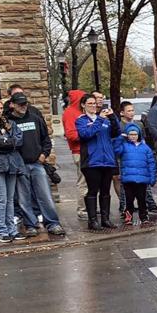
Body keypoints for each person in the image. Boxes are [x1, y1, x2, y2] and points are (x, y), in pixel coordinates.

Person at [6, 93, 65, 236]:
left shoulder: (35, 118)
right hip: (20, 166)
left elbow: (46, 139)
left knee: (45, 195)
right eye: (20, 104)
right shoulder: (8, 122)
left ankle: (52, 223)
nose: (23, 106)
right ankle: (30, 224)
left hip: (37, 163)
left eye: (25, 103)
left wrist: (44, 154)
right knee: (23, 198)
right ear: (12, 105)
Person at [76, 94, 120, 230]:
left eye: (95, 103)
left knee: (106, 191)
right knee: (92, 190)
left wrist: (112, 117)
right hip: (92, 161)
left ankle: (105, 219)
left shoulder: (105, 120)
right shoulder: (81, 120)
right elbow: (86, 134)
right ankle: (92, 220)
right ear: (83, 105)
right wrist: (99, 120)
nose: (93, 106)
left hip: (107, 160)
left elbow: (116, 132)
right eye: (90, 103)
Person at [0, 98, 25, 242]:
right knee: (1, 198)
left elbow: (19, 140)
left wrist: (3, 143)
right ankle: (1, 230)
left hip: (11, 164)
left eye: (1, 108)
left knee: (10, 199)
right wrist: (6, 144)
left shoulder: (9, 124)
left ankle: (11, 229)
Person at [118, 101, 157, 215]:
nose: (132, 113)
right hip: (126, 158)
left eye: (133, 110)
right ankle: (125, 208)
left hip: (140, 157)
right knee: (126, 186)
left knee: (143, 184)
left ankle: (149, 205)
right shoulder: (119, 126)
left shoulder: (139, 125)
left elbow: (143, 140)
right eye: (129, 111)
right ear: (122, 113)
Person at [113, 124, 157, 225]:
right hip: (128, 179)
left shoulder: (145, 148)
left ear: (139, 135)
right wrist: (120, 138)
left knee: (142, 199)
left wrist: (152, 177)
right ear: (127, 135)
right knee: (129, 200)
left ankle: (144, 216)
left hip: (142, 179)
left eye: (135, 134)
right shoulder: (124, 146)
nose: (133, 136)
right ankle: (128, 216)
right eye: (131, 134)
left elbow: (151, 164)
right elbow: (116, 151)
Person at [62, 89, 89, 219]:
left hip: (88, 150)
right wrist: (88, 133)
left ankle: (90, 207)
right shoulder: (70, 113)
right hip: (79, 151)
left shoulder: (80, 112)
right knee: (83, 181)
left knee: (90, 181)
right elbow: (71, 135)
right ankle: (82, 209)